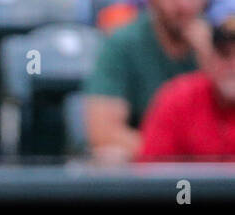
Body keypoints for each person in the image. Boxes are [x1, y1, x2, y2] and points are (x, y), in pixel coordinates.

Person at [84, 0, 205, 163]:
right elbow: (103, 132)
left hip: (211, 168)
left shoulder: (220, 45)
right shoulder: (124, 43)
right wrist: (173, 154)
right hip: (144, 170)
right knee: (110, 156)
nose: (184, 5)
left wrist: (209, 57)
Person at [139, 2, 235, 160]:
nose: (233, 65)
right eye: (224, 54)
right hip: (187, 186)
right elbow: (153, 173)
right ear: (210, 55)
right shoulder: (178, 98)